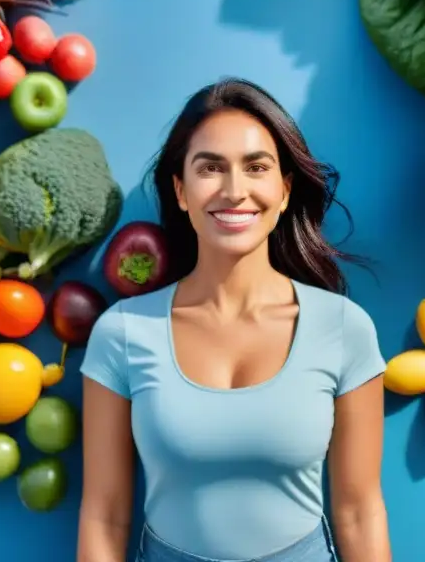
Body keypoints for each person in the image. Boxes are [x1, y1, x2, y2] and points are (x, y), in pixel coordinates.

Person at [77, 78, 390, 562]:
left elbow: (360, 511)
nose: (234, 190)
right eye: (210, 168)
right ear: (181, 191)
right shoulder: (122, 333)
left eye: (256, 167)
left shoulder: (345, 329)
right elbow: (105, 513)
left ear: (284, 190)